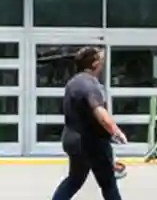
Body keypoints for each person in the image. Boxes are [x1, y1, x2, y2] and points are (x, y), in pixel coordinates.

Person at [51, 46, 126, 200]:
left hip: (73, 138)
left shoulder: (73, 82)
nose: (103, 63)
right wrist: (115, 131)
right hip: (90, 141)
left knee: (75, 179)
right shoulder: (89, 84)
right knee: (108, 183)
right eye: (101, 60)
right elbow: (99, 111)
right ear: (94, 64)